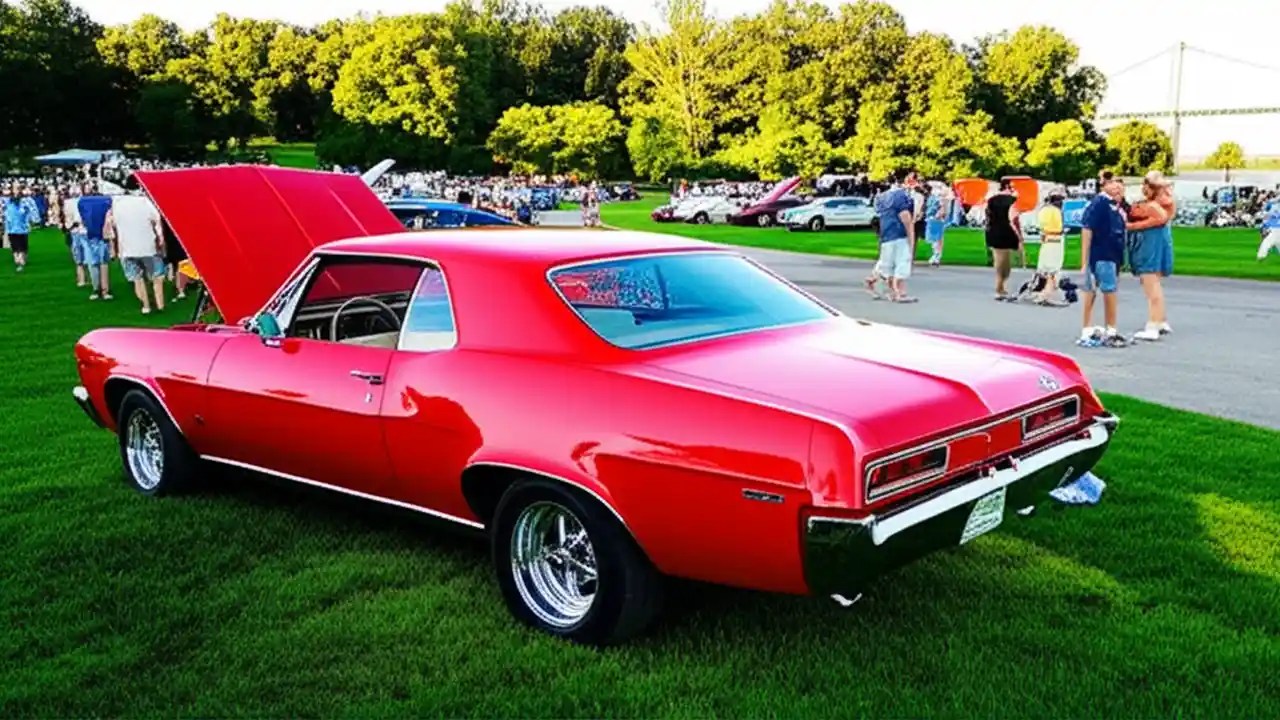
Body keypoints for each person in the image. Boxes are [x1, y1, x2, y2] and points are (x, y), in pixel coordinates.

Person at [1078, 176, 1128, 348]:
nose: (1118, 189)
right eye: (1113, 185)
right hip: (1102, 253)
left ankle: (1092, 327)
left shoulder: (1115, 206)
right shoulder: (1100, 204)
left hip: (1113, 254)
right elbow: (1087, 228)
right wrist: (1084, 259)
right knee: (1108, 291)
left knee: (1098, 290)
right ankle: (1110, 329)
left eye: (1120, 187)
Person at [1125, 171, 1175, 341]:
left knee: (1151, 285)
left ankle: (1153, 324)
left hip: (1150, 246)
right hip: (1159, 243)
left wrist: (1130, 226)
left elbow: (1158, 218)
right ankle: (1160, 320)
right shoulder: (1166, 203)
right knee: (1156, 285)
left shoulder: (1152, 206)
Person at [106, 176, 167, 314]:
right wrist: (161, 240)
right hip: (148, 246)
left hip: (127, 247)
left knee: (137, 279)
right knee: (157, 277)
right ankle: (160, 305)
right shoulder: (145, 202)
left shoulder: (117, 203)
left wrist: (114, 244)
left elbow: (112, 224)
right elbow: (157, 220)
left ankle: (146, 306)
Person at [865, 168, 919, 303]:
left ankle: (878, 283)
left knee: (886, 263)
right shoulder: (901, 196)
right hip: (899, 233)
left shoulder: (883, 196)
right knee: (902, 262)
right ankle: (898, 292)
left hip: (887, 234)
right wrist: (911, 239)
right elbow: (906, 218)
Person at [985, 179, 1024, 300]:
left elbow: (987, 216)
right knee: (1006, 261)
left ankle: (1000, 285)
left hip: (993, 230)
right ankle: (1000, 285)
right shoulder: (1013, 201)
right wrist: (1020, 236)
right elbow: (1014, 219)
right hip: (1007, 231)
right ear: (1008, 187)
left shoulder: (991, 200)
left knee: (998, 259)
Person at [77, 183, 114, 300]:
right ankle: (103, 290)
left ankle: (98, 289)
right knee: (102, 263)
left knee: (94, 263)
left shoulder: (82, 202)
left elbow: (82, 219)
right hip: (99, 234)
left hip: (91, 234)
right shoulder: (106, 200)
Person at [1034, 190, 1067, 305]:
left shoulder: (1043, 210)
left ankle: (1041, 291)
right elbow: (1059, 228)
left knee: (1045, 268)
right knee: (1054, 270)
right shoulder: (1057, 212)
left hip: (1046, 240)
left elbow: (1041, 226)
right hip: (1056, 240)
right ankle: (1046, 295)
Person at [925, 183, 950, 266]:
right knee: (936, 238)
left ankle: (936, 256)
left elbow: (943, 209)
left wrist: (938, 215)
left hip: (935, 219)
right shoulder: (935, 197)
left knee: (936, 238)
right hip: (933, 218)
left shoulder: (940, 198)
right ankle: (936, 255)